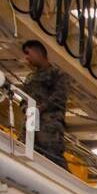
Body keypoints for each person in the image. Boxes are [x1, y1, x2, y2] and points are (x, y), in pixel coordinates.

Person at [20, 39, 71, 169]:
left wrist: (41, 108)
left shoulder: (58, 74)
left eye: (28, 53)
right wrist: (26, 108)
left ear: (38, 52)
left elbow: (60, 96)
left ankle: (64, 184)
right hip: (31, 120)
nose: (26, 57)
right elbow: (23, 98)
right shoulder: (30, 77)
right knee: (27, 154)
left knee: (53, 158)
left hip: (49, 124)